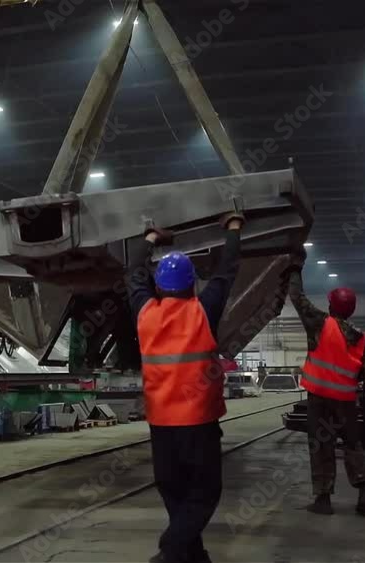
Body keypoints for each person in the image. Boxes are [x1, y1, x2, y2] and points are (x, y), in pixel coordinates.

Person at [125, 212, 245, 563]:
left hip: (161, 423)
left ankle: (194, 556)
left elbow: (133, 273)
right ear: (193, 283)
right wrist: (234, 229)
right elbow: (227, 271)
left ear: (159, 286)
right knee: (205, 493)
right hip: (198, 423)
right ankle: (170, 551)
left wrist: (150, 238)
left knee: (174, 492)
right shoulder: (203, 311)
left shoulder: (145, 313)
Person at [287, 246, 365, 516]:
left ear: (331, 305)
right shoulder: (359, 337)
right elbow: (364, 373)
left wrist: (295, 266)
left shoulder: (320, 324)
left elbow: (296, 297)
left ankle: (323, 499)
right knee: (351, 444)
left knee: (322, 445)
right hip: (346, 403)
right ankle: (363, 487)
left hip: (320, 399)